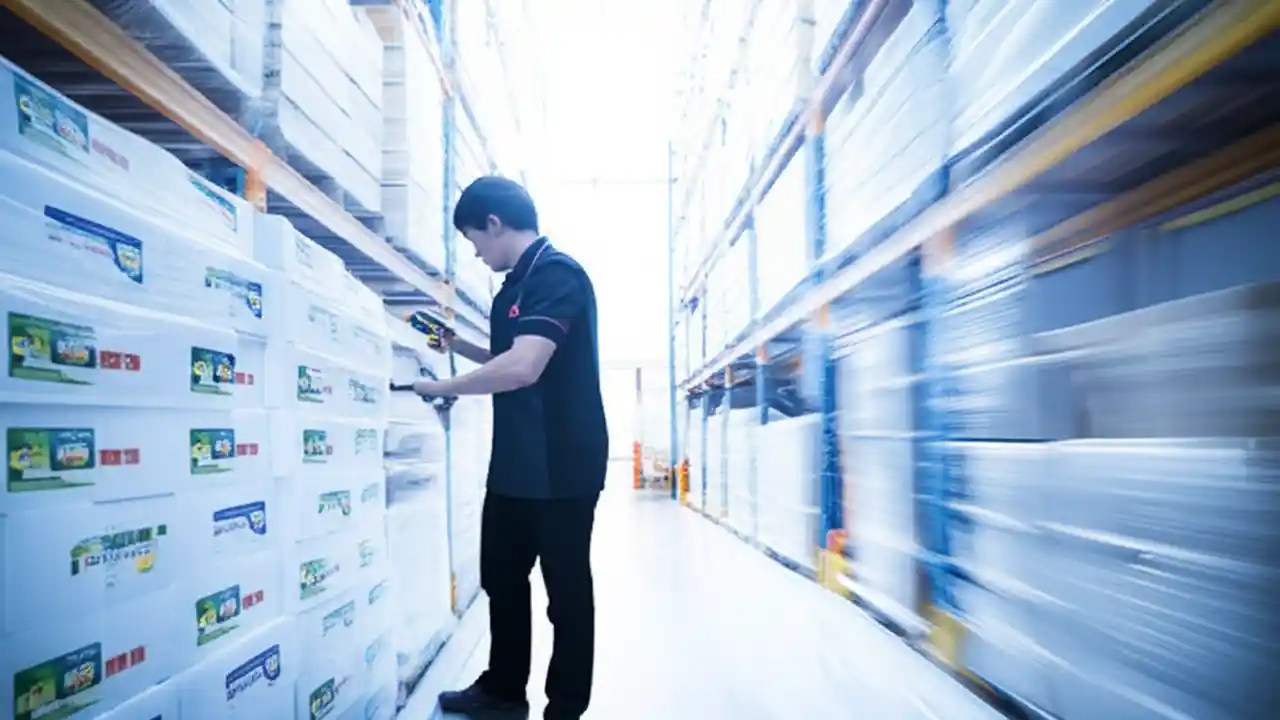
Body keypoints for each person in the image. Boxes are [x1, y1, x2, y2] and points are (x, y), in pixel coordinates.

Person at [413, 176, 608, 720]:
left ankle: (565, 706)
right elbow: (505, 356)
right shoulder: (514, 289)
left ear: (495, 224)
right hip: (517, 462)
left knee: (565, 592)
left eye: (476, 239)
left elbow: (523, 368)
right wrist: (457, 347)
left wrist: (444, 387)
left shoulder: (556, 275)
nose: (477, 252)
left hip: (562, 462)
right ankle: (502, 690)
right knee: (501, 575)